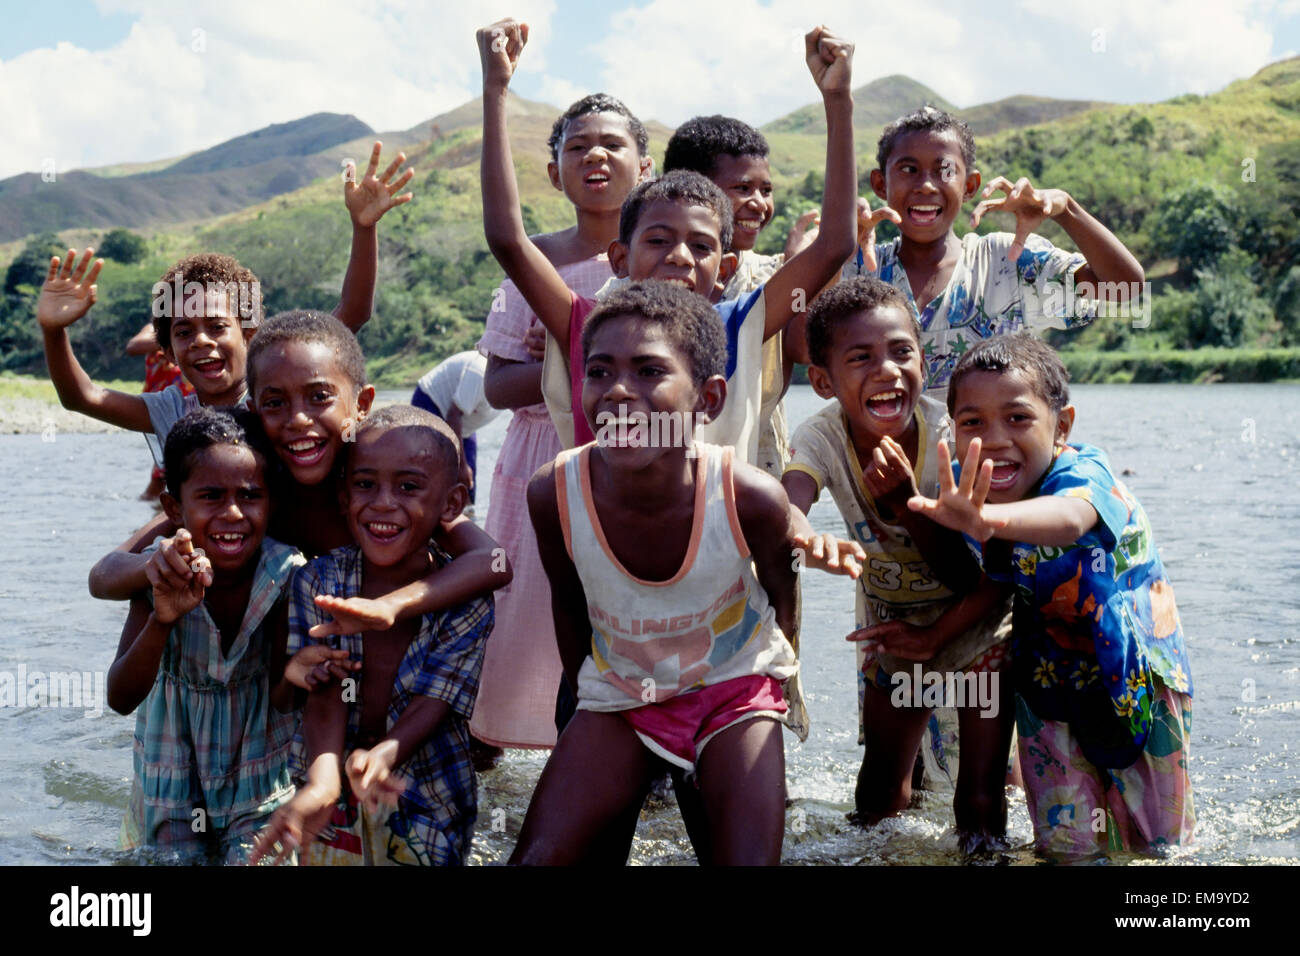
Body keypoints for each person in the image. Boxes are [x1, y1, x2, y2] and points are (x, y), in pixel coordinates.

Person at [514, 281, 858, 865]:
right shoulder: (555, 493)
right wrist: (581, 713)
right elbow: (569, 604)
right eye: (599, 372)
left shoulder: (748, 496)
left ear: (709, 399)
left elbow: (782, 596)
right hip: (621, 694)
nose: (619, 390)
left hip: (732, 689)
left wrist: (778, 690)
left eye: (650, 371)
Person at [477, 17, 857, 463]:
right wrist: (495, 89)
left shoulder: (736, 326)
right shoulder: (586, 326)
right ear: (619, 258)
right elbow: (508, 239)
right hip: (602, 534)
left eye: (701, 246)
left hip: (716, 532)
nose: (679, 257)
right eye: (658, 241)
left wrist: (837, 100)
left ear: (726, 268)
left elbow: (834, 243)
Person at [90, 312, 510, 679]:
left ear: (361, 406)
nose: (299, 420)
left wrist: (392, 607)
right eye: (276, 403)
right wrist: (161, 563)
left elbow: (493, 563)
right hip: (323, 665)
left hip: (427, 656)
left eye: (320, 397)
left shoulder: (379, 476)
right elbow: (104, 574)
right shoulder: (255, 486)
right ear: (254, 411)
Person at [907, 331, 1194, 858]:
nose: (994, 439)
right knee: (1066, 848)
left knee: (1157, 848)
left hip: (1139, 680)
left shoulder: (1086, 473)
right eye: (973, 422)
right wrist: (932, 640)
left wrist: (988, 519)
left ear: (1061, 426)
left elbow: (1067, 521)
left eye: (1018, 418)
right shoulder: (968, 488)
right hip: (1045, 687)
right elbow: (996, 581)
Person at [782, 277, 1013, 849]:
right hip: (899, 633)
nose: (886, 370)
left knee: (979, 798)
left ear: (922, 363)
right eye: (861, 358)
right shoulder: (821, 437)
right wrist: (806, 536)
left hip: (978, 624)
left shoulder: (953, 440)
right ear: (823, 381)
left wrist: (907, 507)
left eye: (901, 352)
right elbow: (788, 503)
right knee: (880, 793)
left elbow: (979, 577)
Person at [472, 92, 651, 751]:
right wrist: (569, 360)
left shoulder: (663, 258)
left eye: (611, 143)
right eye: (577, 146)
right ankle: (494, 751)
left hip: (627, 464)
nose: (594, 155)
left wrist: (586, 360)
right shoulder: (532, 262)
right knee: (522, 619)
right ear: (553, 173)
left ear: (646, 166)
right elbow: (496, 384)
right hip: (538, 464)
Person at [37, 142, 415, 447]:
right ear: (167, 351)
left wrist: (363, 227)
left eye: (217, 326)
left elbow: (353, 311)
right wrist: (54, 331)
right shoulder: (172, 411)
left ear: (250, 332)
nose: (201, 340)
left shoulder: (276, 384)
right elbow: (82, 397)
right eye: (183, 332)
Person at [252, 406, 494, 866]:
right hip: (331, 781)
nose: (383, 502)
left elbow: (434, 701)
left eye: (408, 487)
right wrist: (324, 782)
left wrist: (385, 753)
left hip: (428, 789)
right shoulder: (321, 583)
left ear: (451, 503)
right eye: (365, 484)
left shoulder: (466, 597)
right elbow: (325, 688)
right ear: (343, 498)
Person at [105, 406, 302, 863]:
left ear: (271, 501)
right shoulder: (162, 570)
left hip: (258, 778)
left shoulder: (285, 575)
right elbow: (118, 697)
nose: (232, 513)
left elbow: (281, 698)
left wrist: (302, 670)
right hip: (169, 774)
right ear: (175, 508)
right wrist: (162, 619)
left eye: (250, 495)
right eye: (211, 496)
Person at [845, 106, 1145, 398]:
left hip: (994, 448)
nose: (925, 185)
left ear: (970, 185)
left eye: (945, 170)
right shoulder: (859, 271)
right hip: (884, 450)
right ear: (880, 184)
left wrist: (1066, 208)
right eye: (908, 170)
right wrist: (837, 249)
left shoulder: (1008, 262)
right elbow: (804, 345)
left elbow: (1124, 287)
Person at [662, 115, 819, 479]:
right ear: (694, 190)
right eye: (743, 189)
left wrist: (800, 269)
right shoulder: (656, 274)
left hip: (758, 471)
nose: (759, 203)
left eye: (766, 190)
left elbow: (804, 348)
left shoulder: (772, 276)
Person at [412, 350, 501, 505]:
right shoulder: (480, 373)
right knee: (440, 476)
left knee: (467, 485)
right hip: (431, 403)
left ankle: (468, 518)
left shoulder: (512, 383)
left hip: (462, 425)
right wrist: (460, 464)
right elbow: (453, 416)